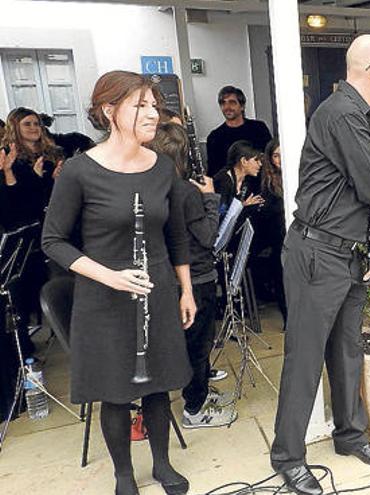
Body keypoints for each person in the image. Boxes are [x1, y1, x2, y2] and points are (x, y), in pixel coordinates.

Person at [270, 34, 370, 495]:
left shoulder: (358, 115)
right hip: (318, 253)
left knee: (348, 350)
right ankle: (288, 456)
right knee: (306, 357)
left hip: (348, 253)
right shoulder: (341, 113)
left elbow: (360, 195)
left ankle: (350, 435)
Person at [41, 70, 196, 495]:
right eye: (140, 105)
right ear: (110, 111)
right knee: (114, 390)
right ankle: (124, 475)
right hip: (103, 295)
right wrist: (109, 276)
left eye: (154, 105)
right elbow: (52, 241)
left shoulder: (162, 167)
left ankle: (163, 466)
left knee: (159, 384)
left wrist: (185, 289)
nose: (152, 113)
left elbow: (177, 234)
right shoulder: (79, 171)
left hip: (157, 289)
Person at [147, 122, 237, 429]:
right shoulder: (185, 191)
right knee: (198, 346)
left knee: (188, 343)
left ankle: (196, 396)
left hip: (168, 277)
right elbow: (208, 235)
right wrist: (211, 198)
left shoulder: (152, 187)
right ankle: (195, 409)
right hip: (196, 278)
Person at [1, 107, 64, 359]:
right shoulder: (10, 157)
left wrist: (53, 179)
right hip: (20, 230)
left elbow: (45, 196)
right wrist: (13, 173)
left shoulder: (47, 155)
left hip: (44, 225)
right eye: (27, 124)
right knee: (20, 288)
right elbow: (15, 201)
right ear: (15, 127)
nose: (34, 128)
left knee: (41, 280)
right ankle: (21, 345)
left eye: (37, 124)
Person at [253, 139, 287, 324]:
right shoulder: (266, 182)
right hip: (277, 239)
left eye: (283, 154)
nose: (281, 160)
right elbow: (266, 213)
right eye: (276, 156)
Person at [205, 86, 272, 177]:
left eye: (232, 103)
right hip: (230, 188)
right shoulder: (215, 137)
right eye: (223, 103)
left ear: (242, 106)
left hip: (260, 185)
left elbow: (270, 157)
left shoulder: (259, 128)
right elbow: (213, 171)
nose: (227, 107)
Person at [213, 140, 264, 217]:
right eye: (256, 160)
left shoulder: (245, 181)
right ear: (243, 161)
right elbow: (221, 213)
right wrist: (243, 206)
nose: (260, 164)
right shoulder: (223, 181)